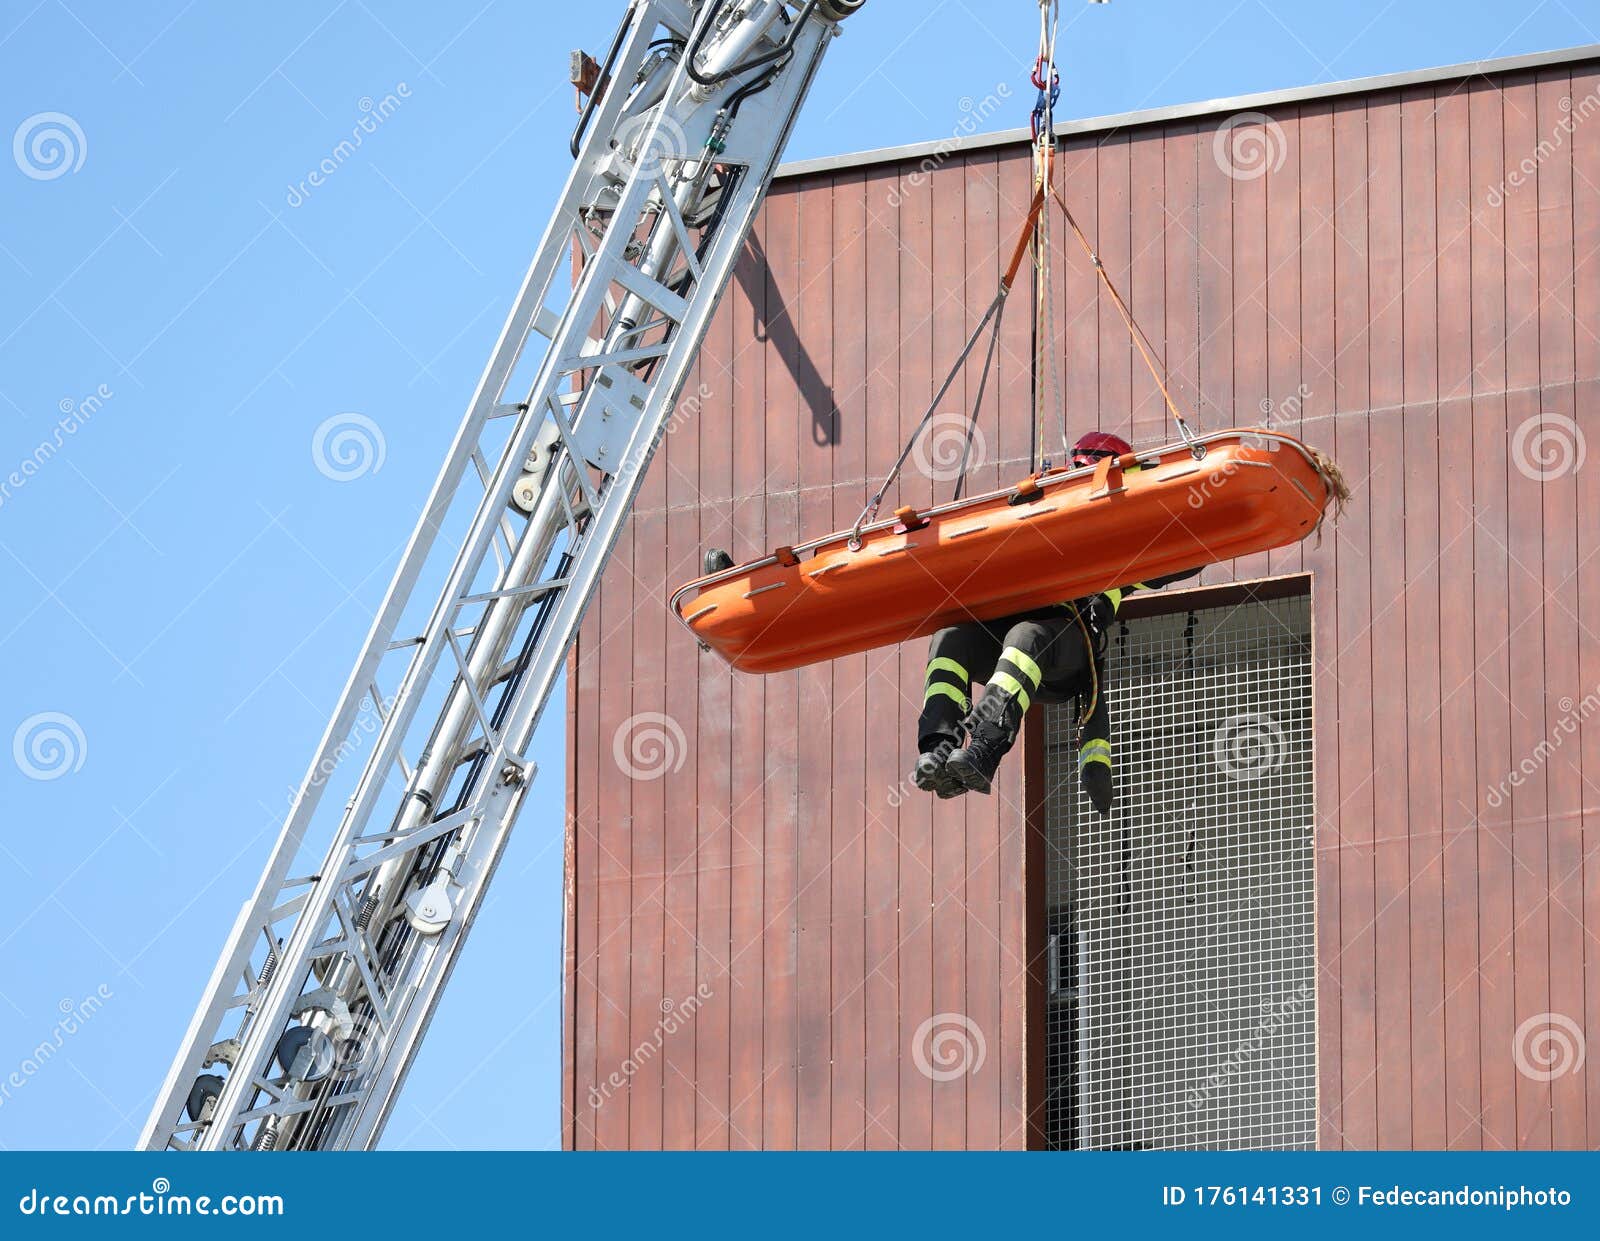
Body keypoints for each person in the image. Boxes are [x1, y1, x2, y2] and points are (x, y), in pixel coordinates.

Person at [910, 430, 1200, 809]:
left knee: (1025, 634)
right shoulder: (1039, 512)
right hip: (1015, 648)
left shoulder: (1128, 543)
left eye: (1088, 469)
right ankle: (938, 746)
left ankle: (985, 748)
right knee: (951, 640)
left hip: (1066, 653)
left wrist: (1153, 482)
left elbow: (1190, 556)